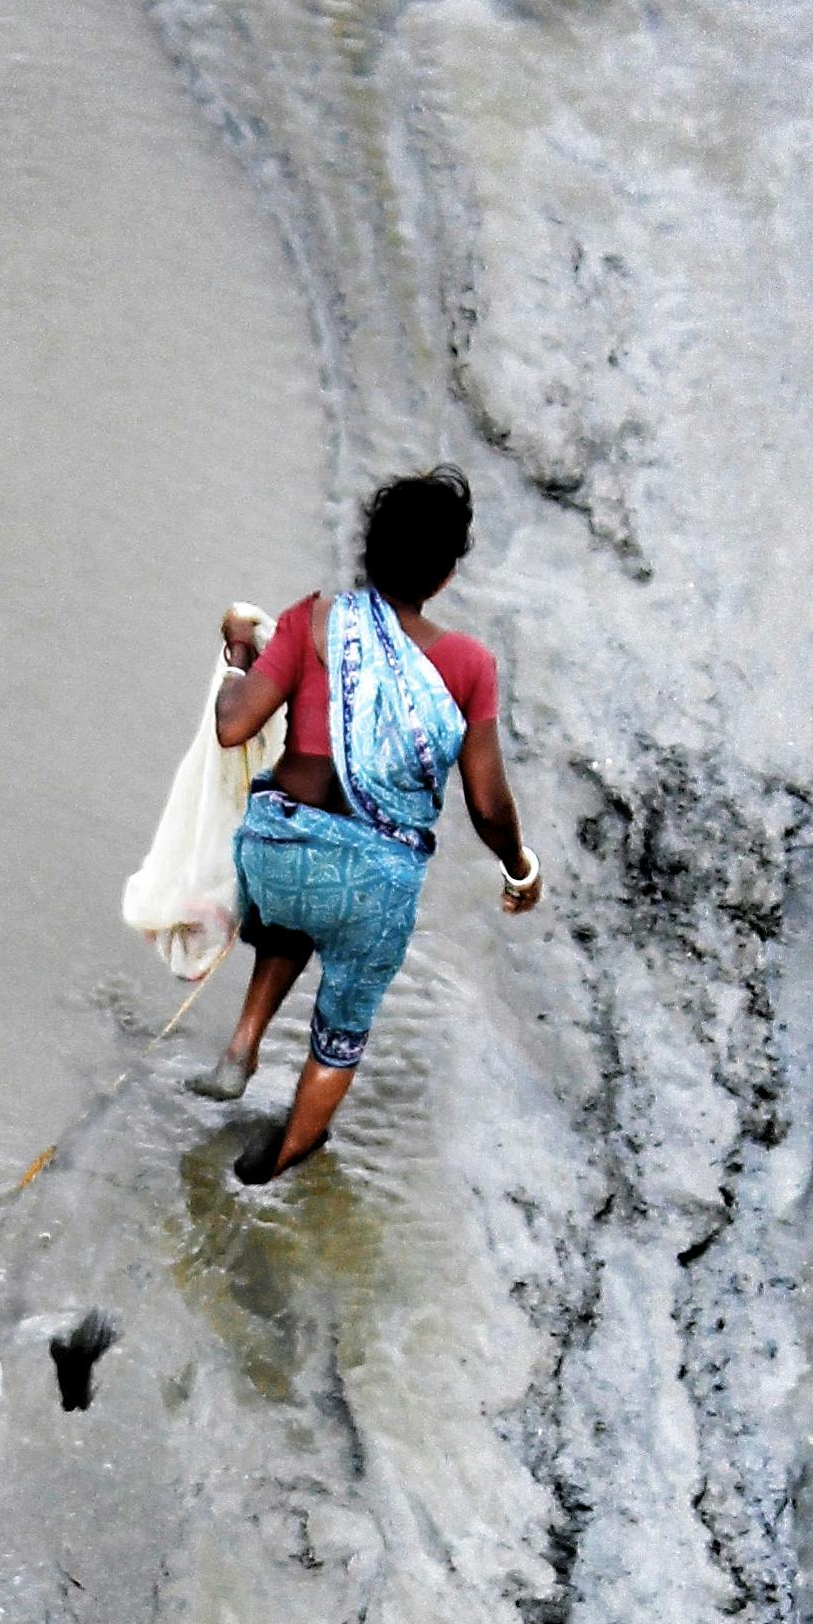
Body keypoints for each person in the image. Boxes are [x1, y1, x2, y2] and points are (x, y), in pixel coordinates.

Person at [191, 470, 540, 1182]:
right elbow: (486, 803)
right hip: (370, 888)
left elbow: (234, 727)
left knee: (292, 913)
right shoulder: (469, 666)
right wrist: (518, 866)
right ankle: (279, 1162)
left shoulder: (314, 619)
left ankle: (243, 1043)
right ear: (444, 576)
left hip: (277, 852)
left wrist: (238, 658)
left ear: (368, 552)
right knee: (339, 1028)